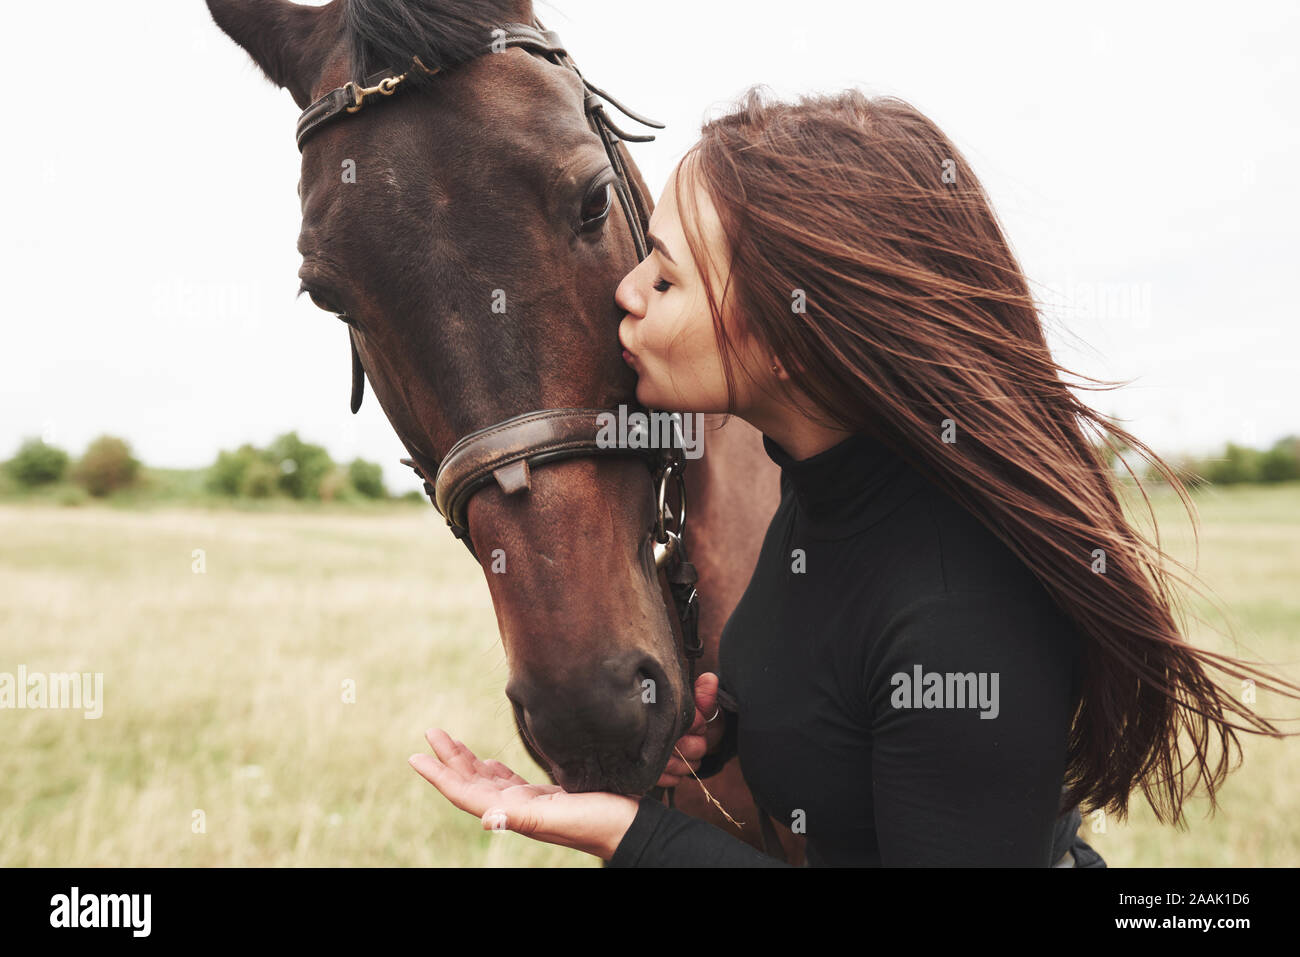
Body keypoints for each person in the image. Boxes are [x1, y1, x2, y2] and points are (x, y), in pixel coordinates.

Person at [408, 86, 1299, 866]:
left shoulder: (961, 608)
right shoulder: (822, 483)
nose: (625, 294)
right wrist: (740, 729)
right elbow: (856, 687)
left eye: (667, 280)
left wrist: (628, 835)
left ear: (794, 339)